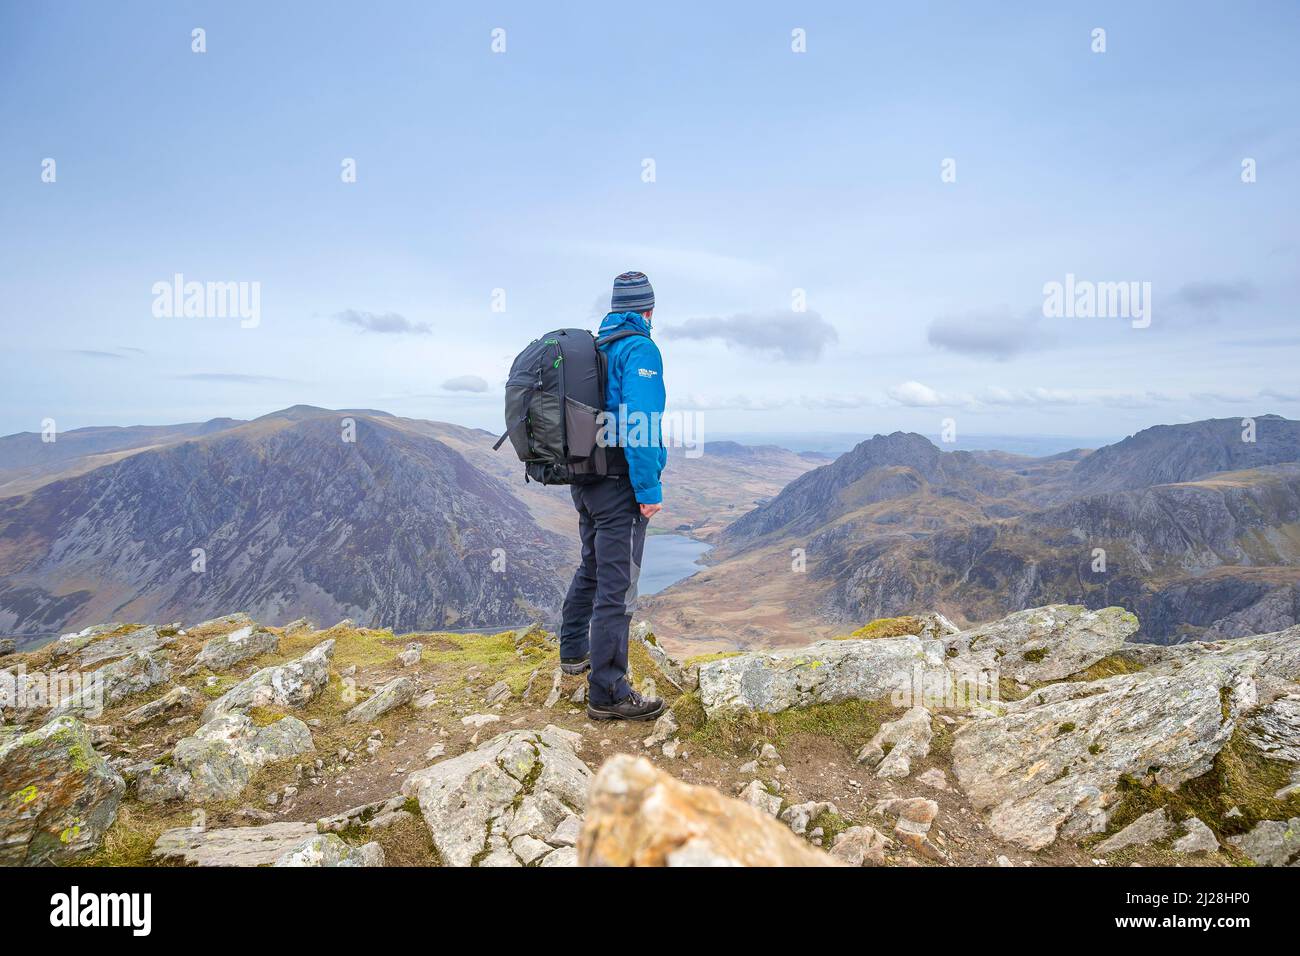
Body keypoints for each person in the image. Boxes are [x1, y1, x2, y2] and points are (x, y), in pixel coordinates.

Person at [559, 271, 667, 721]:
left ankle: (572, 653)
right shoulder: (638, 348)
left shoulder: (596, 349)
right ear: (649, 310)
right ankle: (608, 692)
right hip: (620, 483)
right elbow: (640, 421)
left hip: (586, 479)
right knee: (617, 586)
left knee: (592, 567)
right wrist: (649, 489)